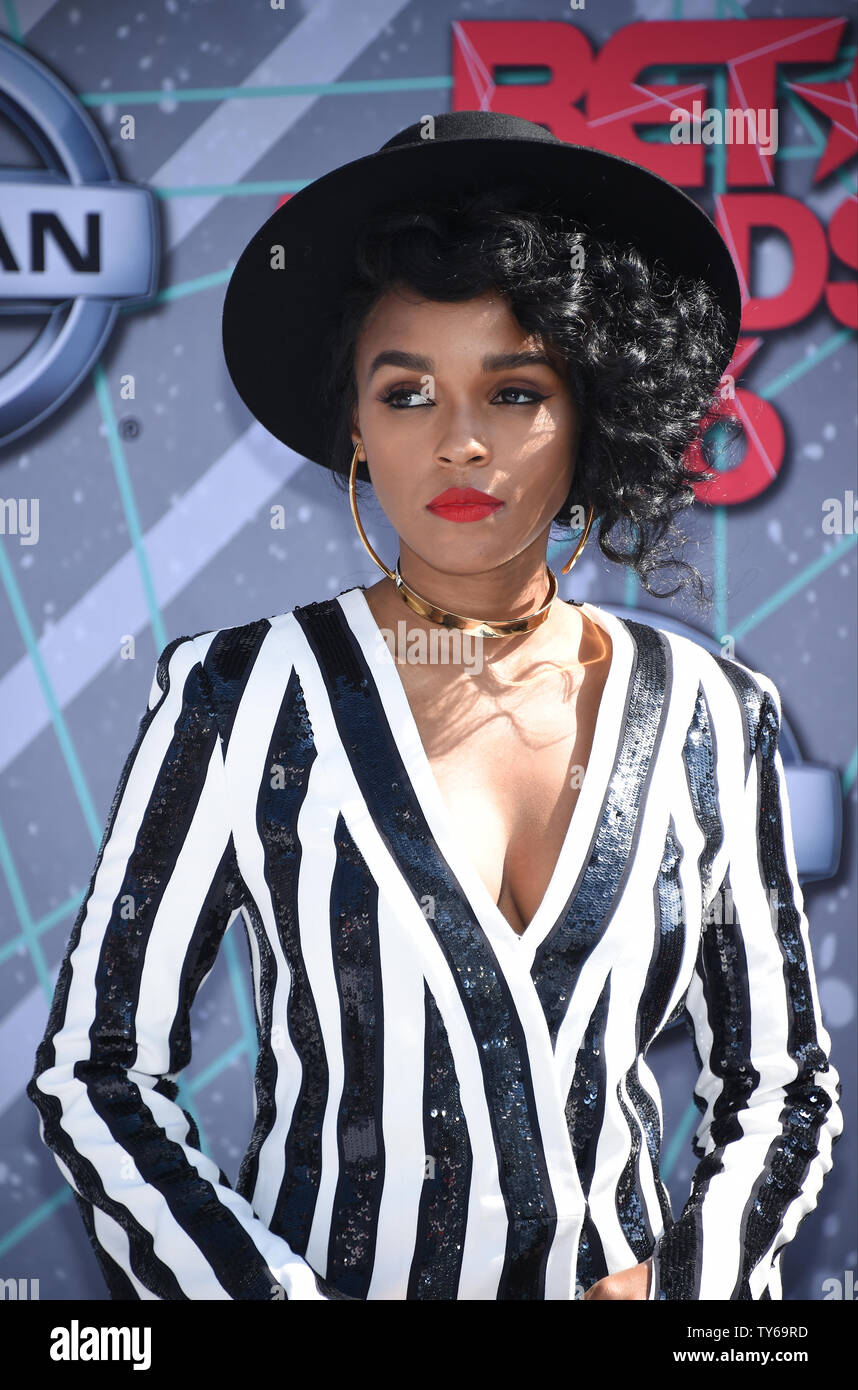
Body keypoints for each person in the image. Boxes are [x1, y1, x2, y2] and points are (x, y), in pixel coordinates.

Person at [28, 111, 842, 1301]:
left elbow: (779, 1079)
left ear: (591, 410)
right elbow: (97, 1072)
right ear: (354, 424)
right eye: (408, 393)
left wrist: (686, 1296)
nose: (461, 443)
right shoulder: (239, 693)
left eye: (514, 390)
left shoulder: (715, 711)